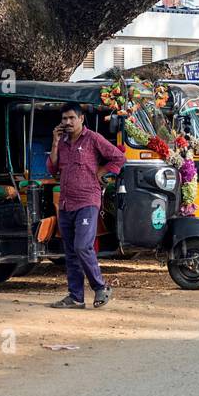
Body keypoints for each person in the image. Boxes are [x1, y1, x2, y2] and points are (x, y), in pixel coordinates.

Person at [47, 101, 126, 309]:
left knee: (82, 246)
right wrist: (54, 143)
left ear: (81, 119)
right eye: (64, 119)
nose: (68, 122)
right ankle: (76, 298)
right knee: (71, 252)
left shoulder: (93, 139)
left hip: (87, 201)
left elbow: (118, 158)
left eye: (72, 118)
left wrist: (101, 172)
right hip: (65, 203)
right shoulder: (62, 142)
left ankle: (100, 287)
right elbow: (52, 170)